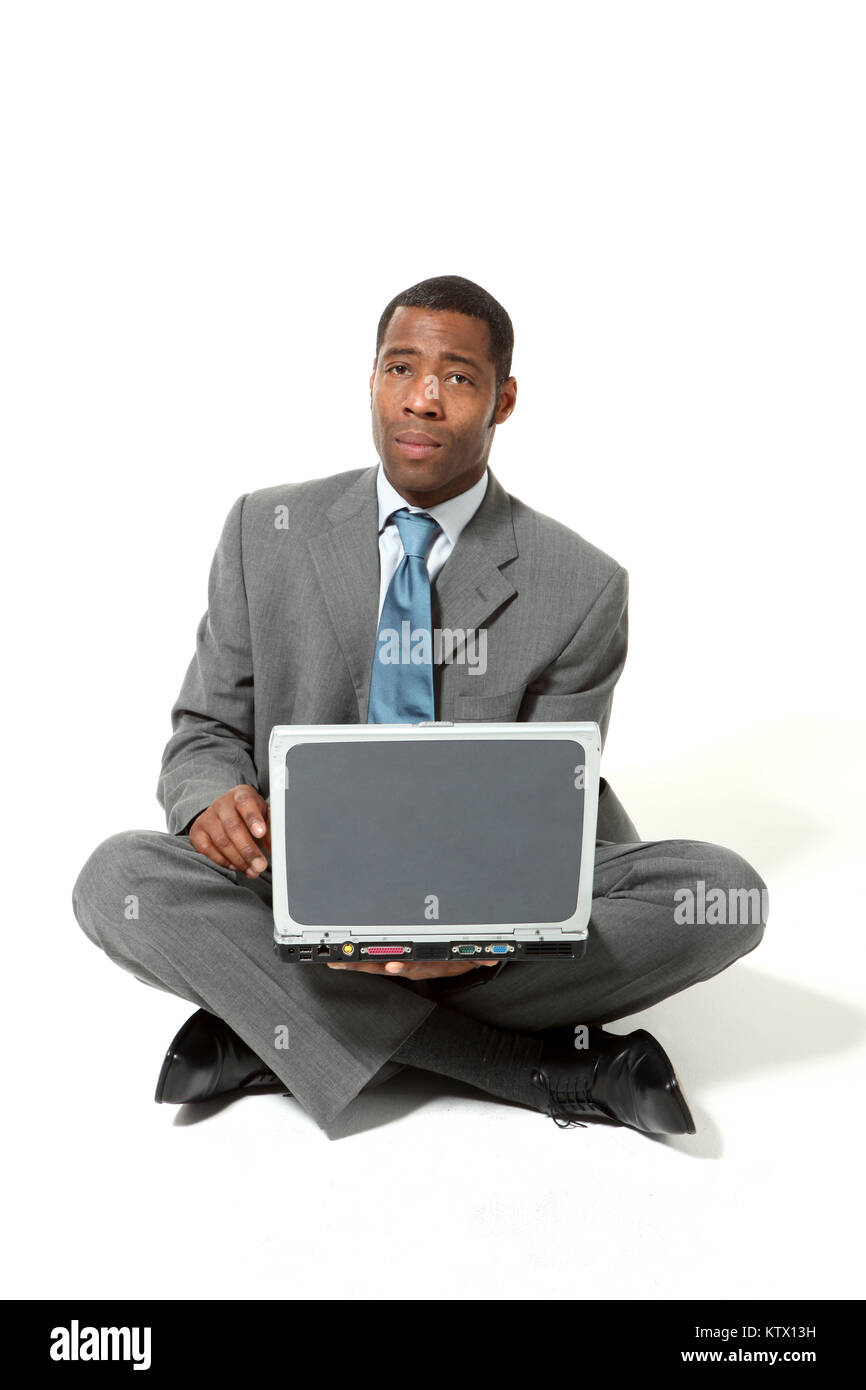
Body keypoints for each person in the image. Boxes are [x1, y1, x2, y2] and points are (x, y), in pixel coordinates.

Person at [71, 274, 767, 1136]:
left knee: (723, 894)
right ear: (372, 379)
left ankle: (270, 1026)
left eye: (459, 378)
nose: (424, 400)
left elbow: (554, 801)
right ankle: (531, 1065)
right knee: (118, 879)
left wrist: (484, 927)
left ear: (503, 400)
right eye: (401, 369)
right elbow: (206, 732)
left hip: (493, 903)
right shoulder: (265, 530)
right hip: (297, 881)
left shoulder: (581, 584)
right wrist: (212, 796)